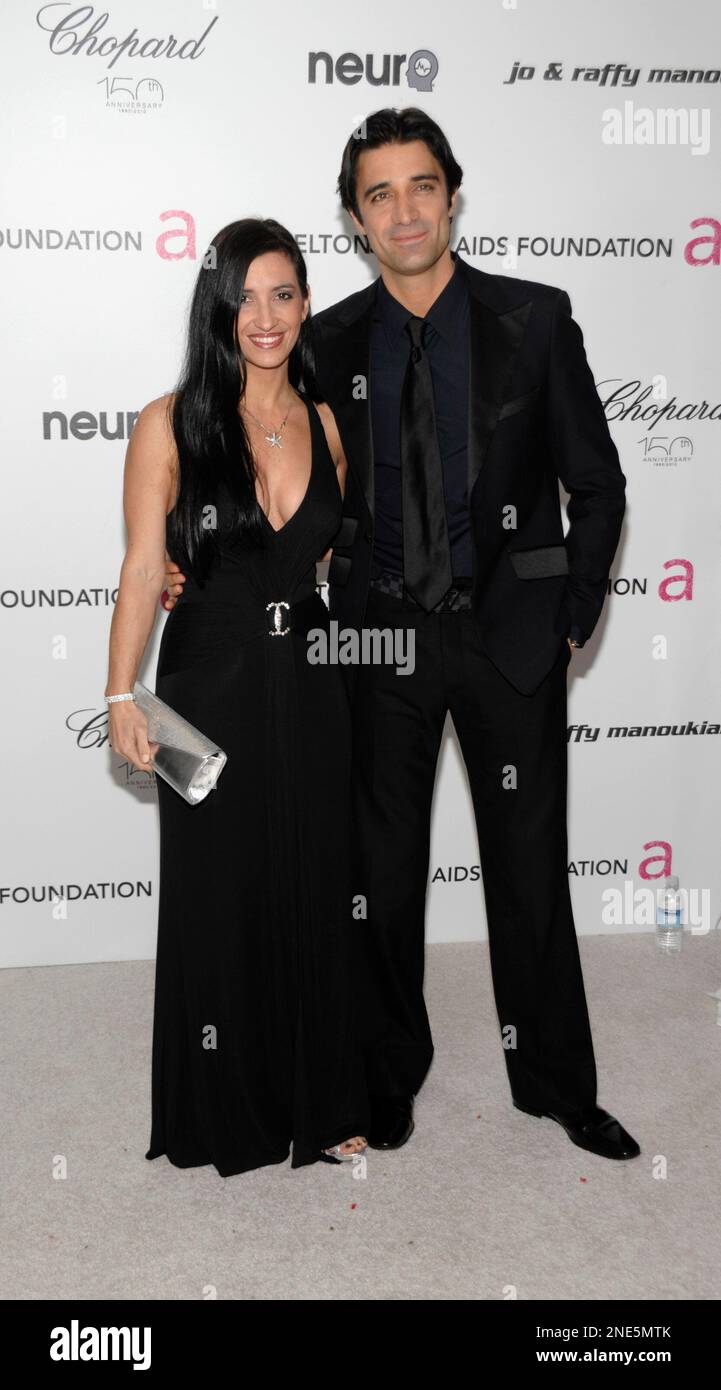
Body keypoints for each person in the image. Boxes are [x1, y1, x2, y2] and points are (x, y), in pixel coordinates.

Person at [163, 109, 640, 1162]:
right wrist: (184, 555)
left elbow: (596, 484)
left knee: (528, 869)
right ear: (354, 218)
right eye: (378, 195)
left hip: (509, 637)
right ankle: (380, 1084)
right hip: (377, 648)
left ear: (452, 195)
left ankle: (557, 1084)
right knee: (375, 882)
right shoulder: (325, 340)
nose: (404, 210)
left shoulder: (536, 317)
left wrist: (567, 619)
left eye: (420, 186)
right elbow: (254, 452)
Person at [105, 217, 369, 1177]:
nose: (266, 317)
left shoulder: (329, 422)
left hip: (309, 682)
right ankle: (224, 1111)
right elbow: (143, 567)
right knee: (222, 895)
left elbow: (327, 557)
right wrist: (120, 694)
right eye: (246, 297)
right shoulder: (167, 422)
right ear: (218, 307)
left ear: (305, 303)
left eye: (285, 294)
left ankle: (323, 1099)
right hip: (207, 684)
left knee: (313, 882)